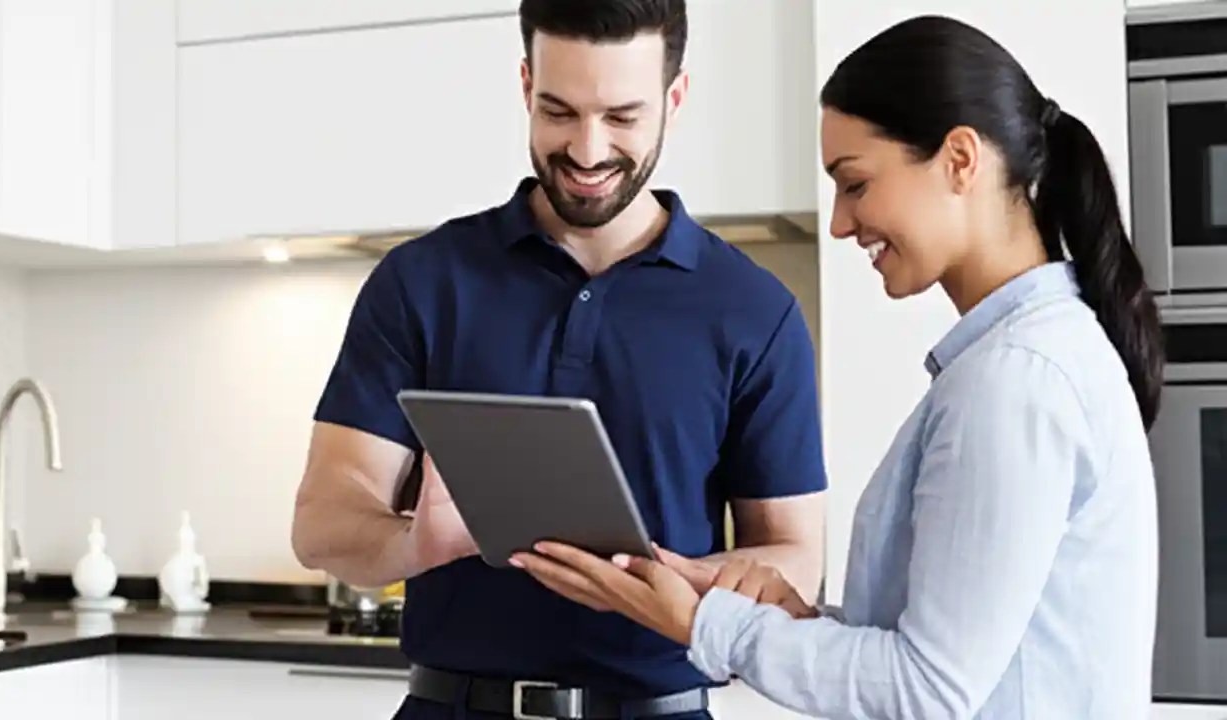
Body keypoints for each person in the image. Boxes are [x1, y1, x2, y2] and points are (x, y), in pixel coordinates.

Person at [512, 14, 1165, 720]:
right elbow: (939, 658)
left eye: (855, 184)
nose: (840, 223)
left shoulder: (1017, 379)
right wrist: (783, 619)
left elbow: (924, 690)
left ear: (959, 159)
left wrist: (705, 625)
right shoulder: (1025, 359)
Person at [290, 1, 828, 717]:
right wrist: (417, 544)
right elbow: (321, 525)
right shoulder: (422, 282)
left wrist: (688, 584)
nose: (587, 150)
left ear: (675, 99)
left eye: (622, 116)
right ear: (525, 86)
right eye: (559, 112)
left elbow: (796, 558)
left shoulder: (755, 310)